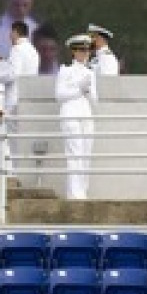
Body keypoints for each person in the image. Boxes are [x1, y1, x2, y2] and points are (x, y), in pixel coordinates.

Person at [57, 34, 97, 200]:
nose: (85, 53)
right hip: (70, 113)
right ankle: (74, 194)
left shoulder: (90, 73)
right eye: (81, 50)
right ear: (73, 51)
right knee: (75, 154)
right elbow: (59, 95)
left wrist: (87, 91)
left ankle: (83, 192)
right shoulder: (65, 70)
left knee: (86, 155)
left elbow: (95, 100)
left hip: (85, 113)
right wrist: (78, 90)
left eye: (87, 50)